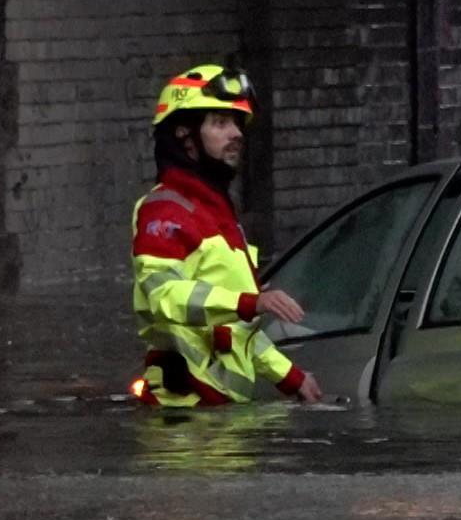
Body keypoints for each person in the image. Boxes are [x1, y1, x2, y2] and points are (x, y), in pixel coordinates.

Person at [131, 63, 323, 407]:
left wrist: (291, 378)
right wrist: (251, 302)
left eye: (237, 123)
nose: (236, 133)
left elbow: (234, 331)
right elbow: (163, 297)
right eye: (220, 123)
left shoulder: (218, 214)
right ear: (184, 134)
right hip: (183, 417)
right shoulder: (166, 210)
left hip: (217, 416)